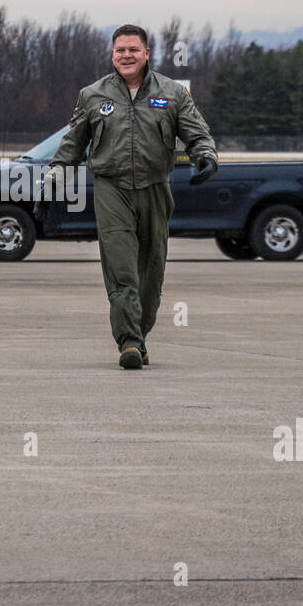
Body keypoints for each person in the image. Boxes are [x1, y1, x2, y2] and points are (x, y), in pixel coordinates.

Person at [39, 24, 217, 369]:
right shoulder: (93, 95)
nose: (126, 55)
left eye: (133, 49)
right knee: (121, 268)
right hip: (111, 188)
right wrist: (53, 181)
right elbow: (72, 145)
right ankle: (129, 343)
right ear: (112, 55)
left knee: (150, 271)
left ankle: (141, 334)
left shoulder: (173, 93)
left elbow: (197, 133)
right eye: (120, 50)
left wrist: (206, 157)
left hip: (155, 188)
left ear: (147, 53)